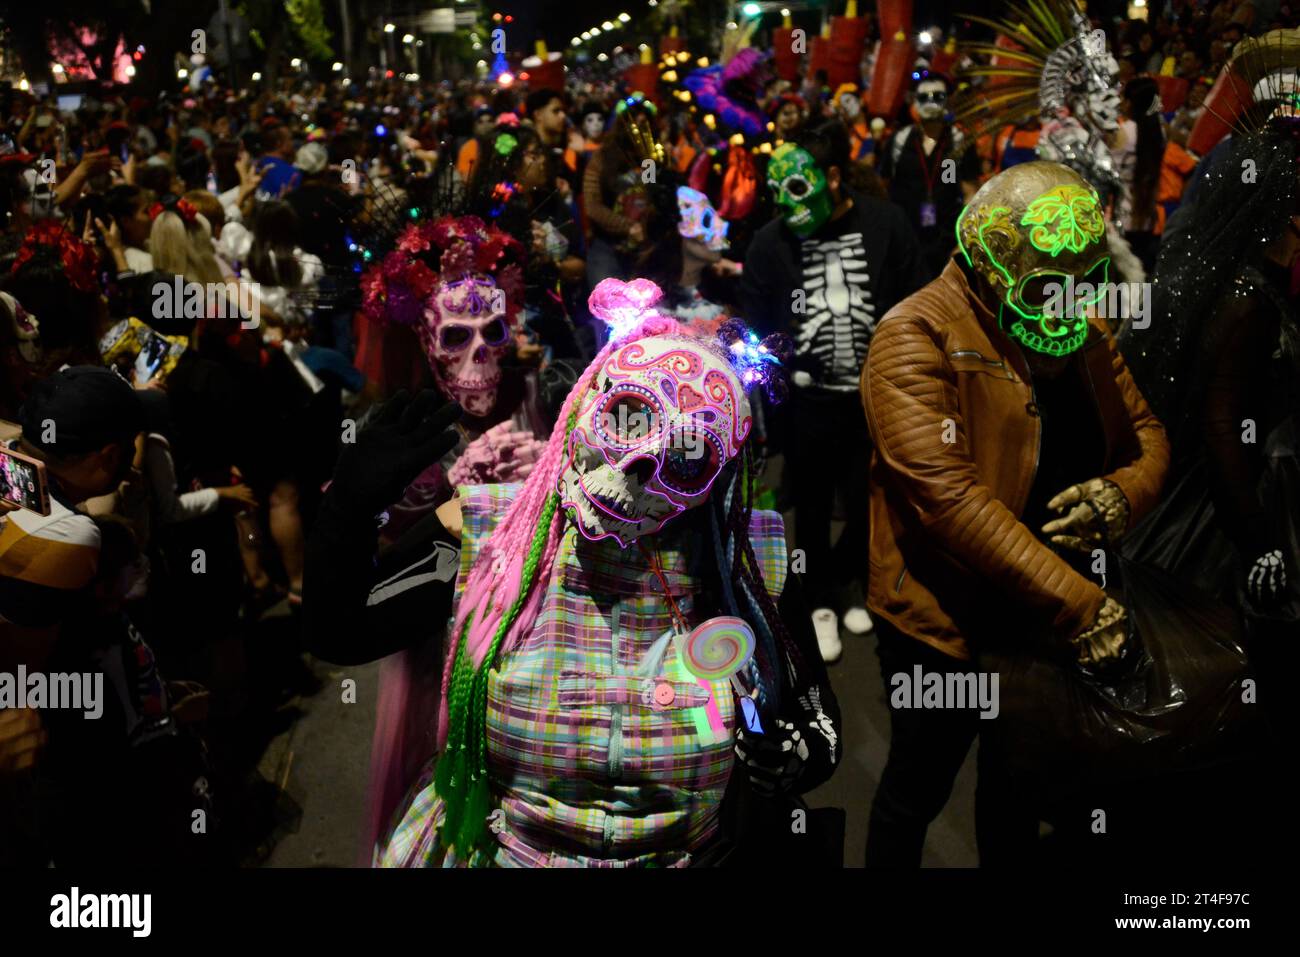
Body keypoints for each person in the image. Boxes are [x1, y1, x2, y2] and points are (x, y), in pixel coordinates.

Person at [305, 280, 842, 868]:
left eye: (687, 454)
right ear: (586, 402)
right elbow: (342, 631)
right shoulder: (488, 528)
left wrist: (792, 756)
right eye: (630, 416)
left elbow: (818, 721)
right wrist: (349, 510)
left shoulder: (745, 563)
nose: (638, 464)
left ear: (718, 475)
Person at [861, 161, 1170, 867]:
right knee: (918, 785)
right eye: (1044, 290)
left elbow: (1146, 432)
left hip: (1046, 617)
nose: (1066, 308)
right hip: (948, 625)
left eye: (1083, 284)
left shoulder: (1081, 324)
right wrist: (1082, 604)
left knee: (1019, 785)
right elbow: (949, 500)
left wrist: (1122, 494)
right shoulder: (913, 336)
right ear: (987, 271)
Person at [741, 120, 925, 662]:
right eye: (779, 193)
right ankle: (817, 599)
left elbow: (917, 300)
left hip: (876, 400)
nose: (787, 205)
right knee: (814, 504)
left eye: (799, 188)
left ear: (835, 177)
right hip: (809, 405)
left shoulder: (886, 225)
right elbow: (754, 324)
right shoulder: (770, 245)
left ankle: (854, 583)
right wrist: (784, 363)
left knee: (873, 499)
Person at [877, 71, 981, 280]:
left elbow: (971, 194)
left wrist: (962, 242)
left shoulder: (960, 141)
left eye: (938, 97)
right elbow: (882, 188)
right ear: (915, 101)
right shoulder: (899, 140)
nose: (930, 103)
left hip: (946, 241)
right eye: (924, 98)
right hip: (905, 240)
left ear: (947, 101)